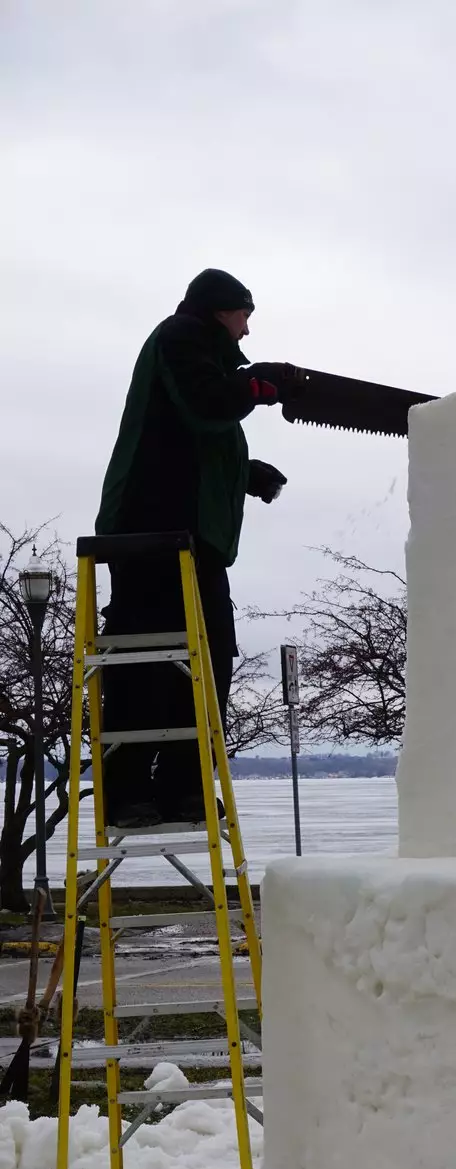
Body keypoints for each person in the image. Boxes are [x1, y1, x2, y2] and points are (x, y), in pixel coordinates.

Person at [94, 268, 290, 828]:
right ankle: (128, 792)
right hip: (149, 533)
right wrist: (254, 385)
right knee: (146, 661)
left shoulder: (200, 354)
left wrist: (243, 474)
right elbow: (206, 405)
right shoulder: (180, 337)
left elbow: (189, 446)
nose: (248, 330)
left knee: (209, 660)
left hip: (187, 535)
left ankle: (184, 789)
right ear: (219, 310)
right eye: (245, 315)